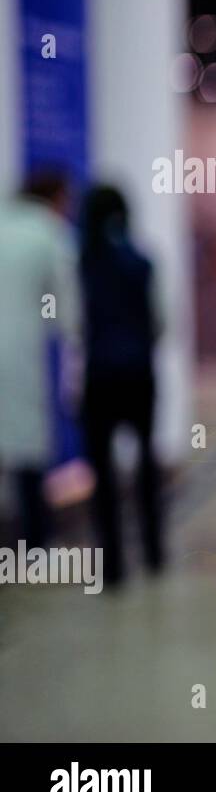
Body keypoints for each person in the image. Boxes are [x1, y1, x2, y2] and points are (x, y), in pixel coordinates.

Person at [78, 184, 164, 586]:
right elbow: (159, 321)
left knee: (103, 472)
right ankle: (153, 551)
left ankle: (112, 564)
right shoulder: (143, 262)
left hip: (100, 375)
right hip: (139, 374)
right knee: (146, 462)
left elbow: (74, 324)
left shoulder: (81, 264)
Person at [0, 172, 80, 547]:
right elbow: (68, 315)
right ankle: (33, 545)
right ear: (56, 198)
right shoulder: (50, 233)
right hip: (22, 358)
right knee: (27, 453)